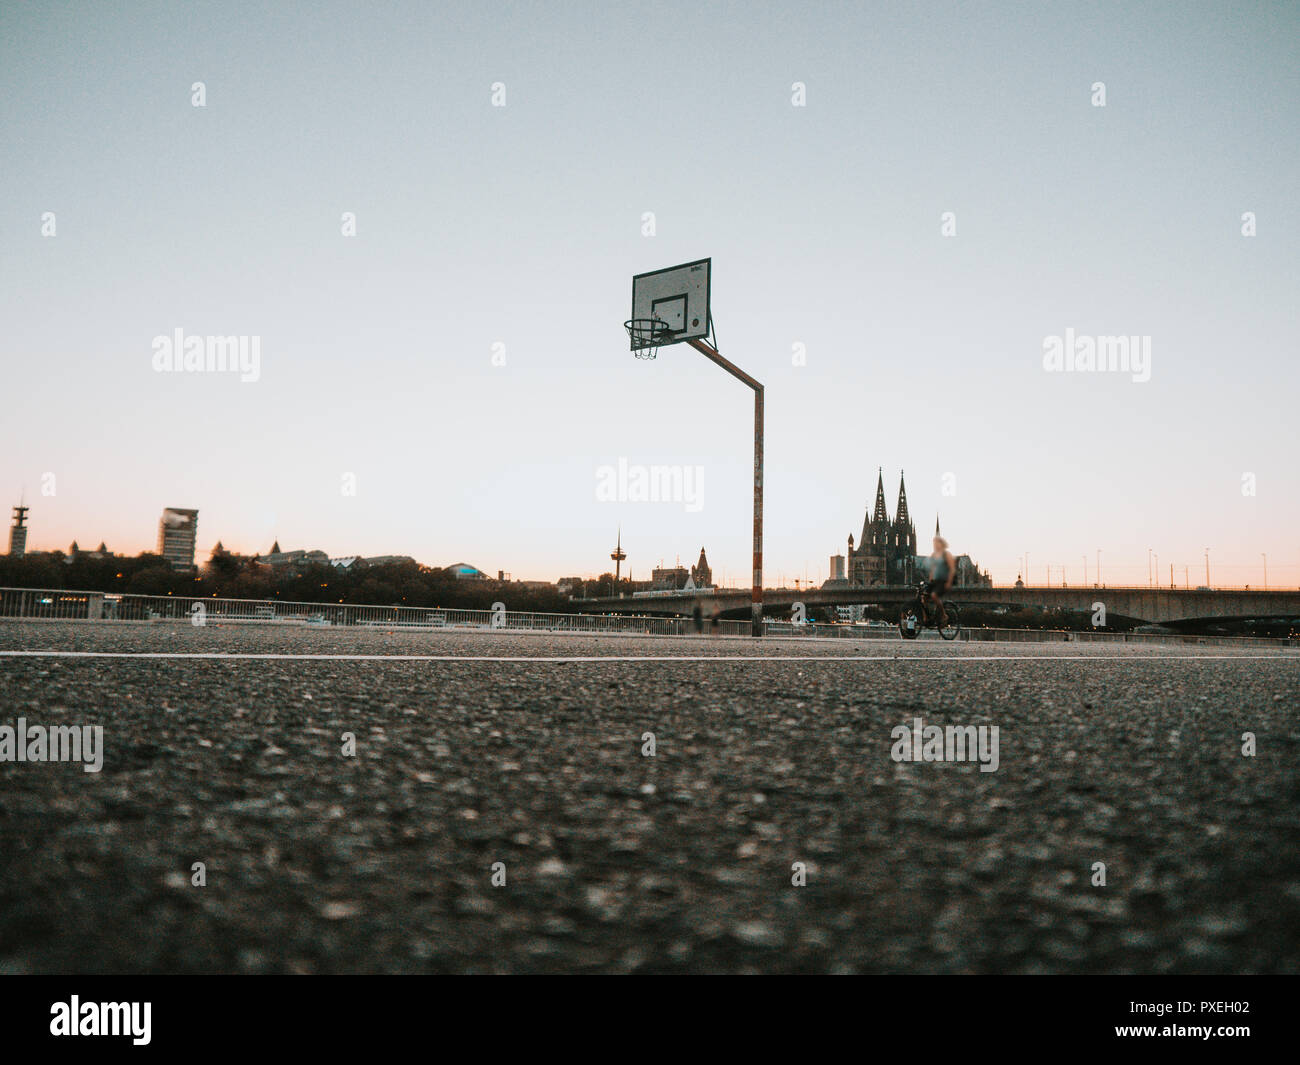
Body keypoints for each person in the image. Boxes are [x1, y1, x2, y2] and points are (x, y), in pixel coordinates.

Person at [925, 536, 955, 629]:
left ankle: (944, 615)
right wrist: (929, 581)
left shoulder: (947, 554)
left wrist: (949, 582)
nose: (935, 545)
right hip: (934, 581)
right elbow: (932, 569)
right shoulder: (934, 555)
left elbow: (952, 569)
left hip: (943, 581)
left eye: (937, 543)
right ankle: (926, 618)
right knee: (923, 596)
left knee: (934, 595)